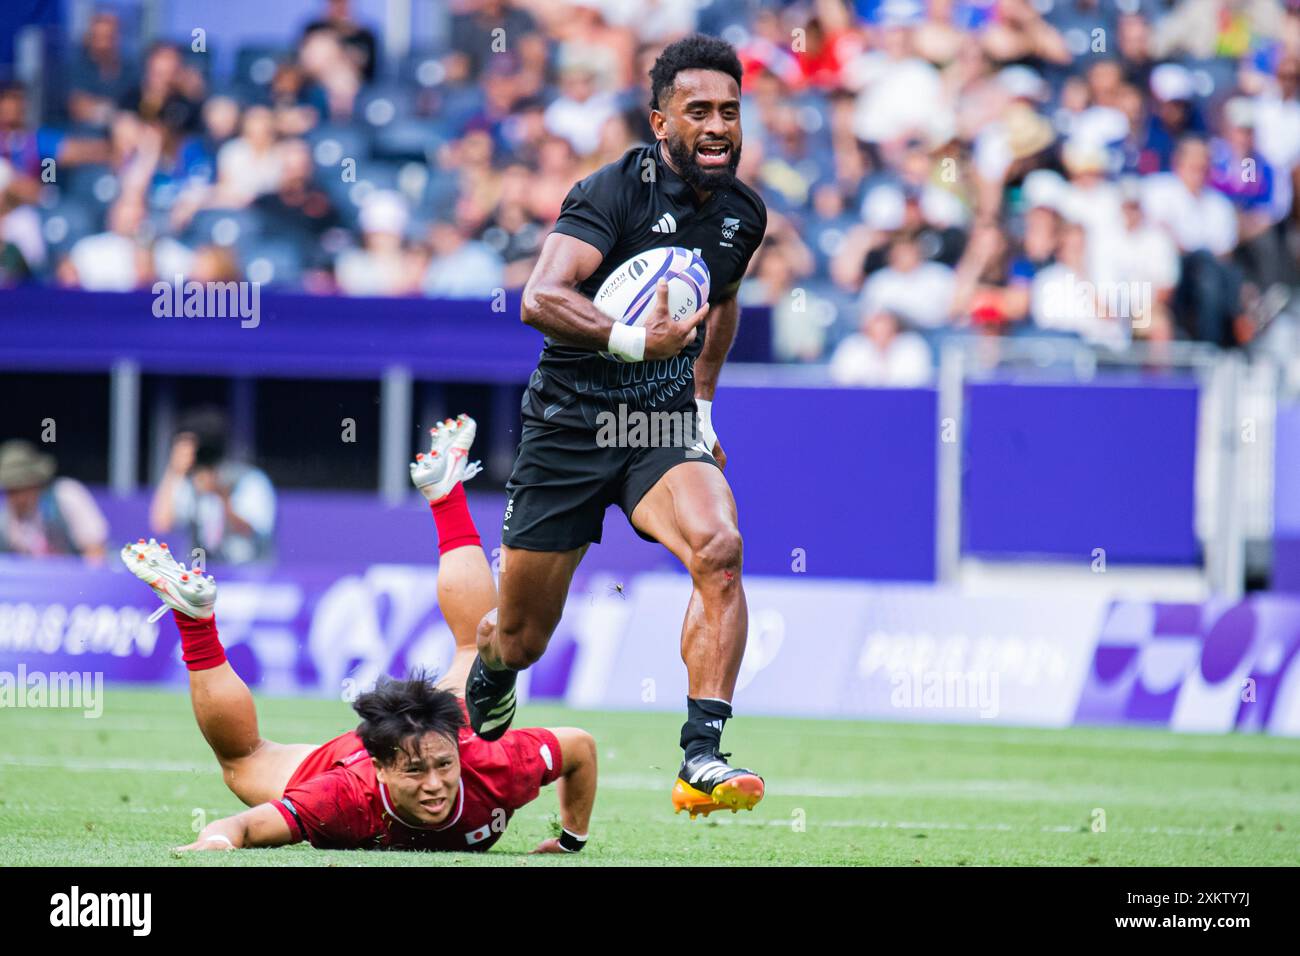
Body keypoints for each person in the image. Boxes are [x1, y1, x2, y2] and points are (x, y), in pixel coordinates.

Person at [464, 34, 768, 820]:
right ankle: (491, 672)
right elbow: (539, 297)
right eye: (698, 110)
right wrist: (636, 340)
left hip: (659, 426)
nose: (718, 126)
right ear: (660, 121)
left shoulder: (741, 215)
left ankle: (702, 756)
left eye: (730, 111)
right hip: (569, 428)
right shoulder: (611, 193)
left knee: (720, 548)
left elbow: (722, 299)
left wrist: (699, 407)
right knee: (521, 636)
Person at [126, 417, 596, 853]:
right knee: (241, 761)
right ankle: (195, 619)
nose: (435, 784)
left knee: (475, 648)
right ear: (381, 769)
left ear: (456, 752)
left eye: (441, 766)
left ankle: (446, 492)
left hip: (440, 722)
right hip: (343, 762)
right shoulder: (339, 797)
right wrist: (211, 845)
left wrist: (570, 841)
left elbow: (579, 748)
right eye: (414, 771)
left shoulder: (490, 762)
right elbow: (241, 827)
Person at [149, 408, 276, 567]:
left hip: (245, 578)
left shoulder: (248, 480)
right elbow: (161, 524)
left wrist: (221, 495)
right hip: (200, 574)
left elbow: (250, 530)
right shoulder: (188, 482)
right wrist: (174, 470)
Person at [0, 440, 108, 563]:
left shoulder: (67, 495)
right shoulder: (5, 519)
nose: (18, 498)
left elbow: (96, 553)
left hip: (74, 580)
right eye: (11, 490)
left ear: (36, 482)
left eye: (22, 487)